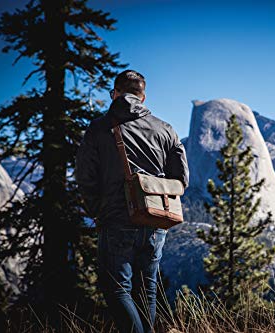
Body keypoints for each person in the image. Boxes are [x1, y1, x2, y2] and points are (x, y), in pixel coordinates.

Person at [75, 69, 189, 333]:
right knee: (146, 289)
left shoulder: (99, 128)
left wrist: (97, 211)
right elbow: (181, 179)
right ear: (143, 97)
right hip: (155, 220)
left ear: (115, 94)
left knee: (115, 288)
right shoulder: (165, 129)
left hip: (116, 218)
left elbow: (85, 177)